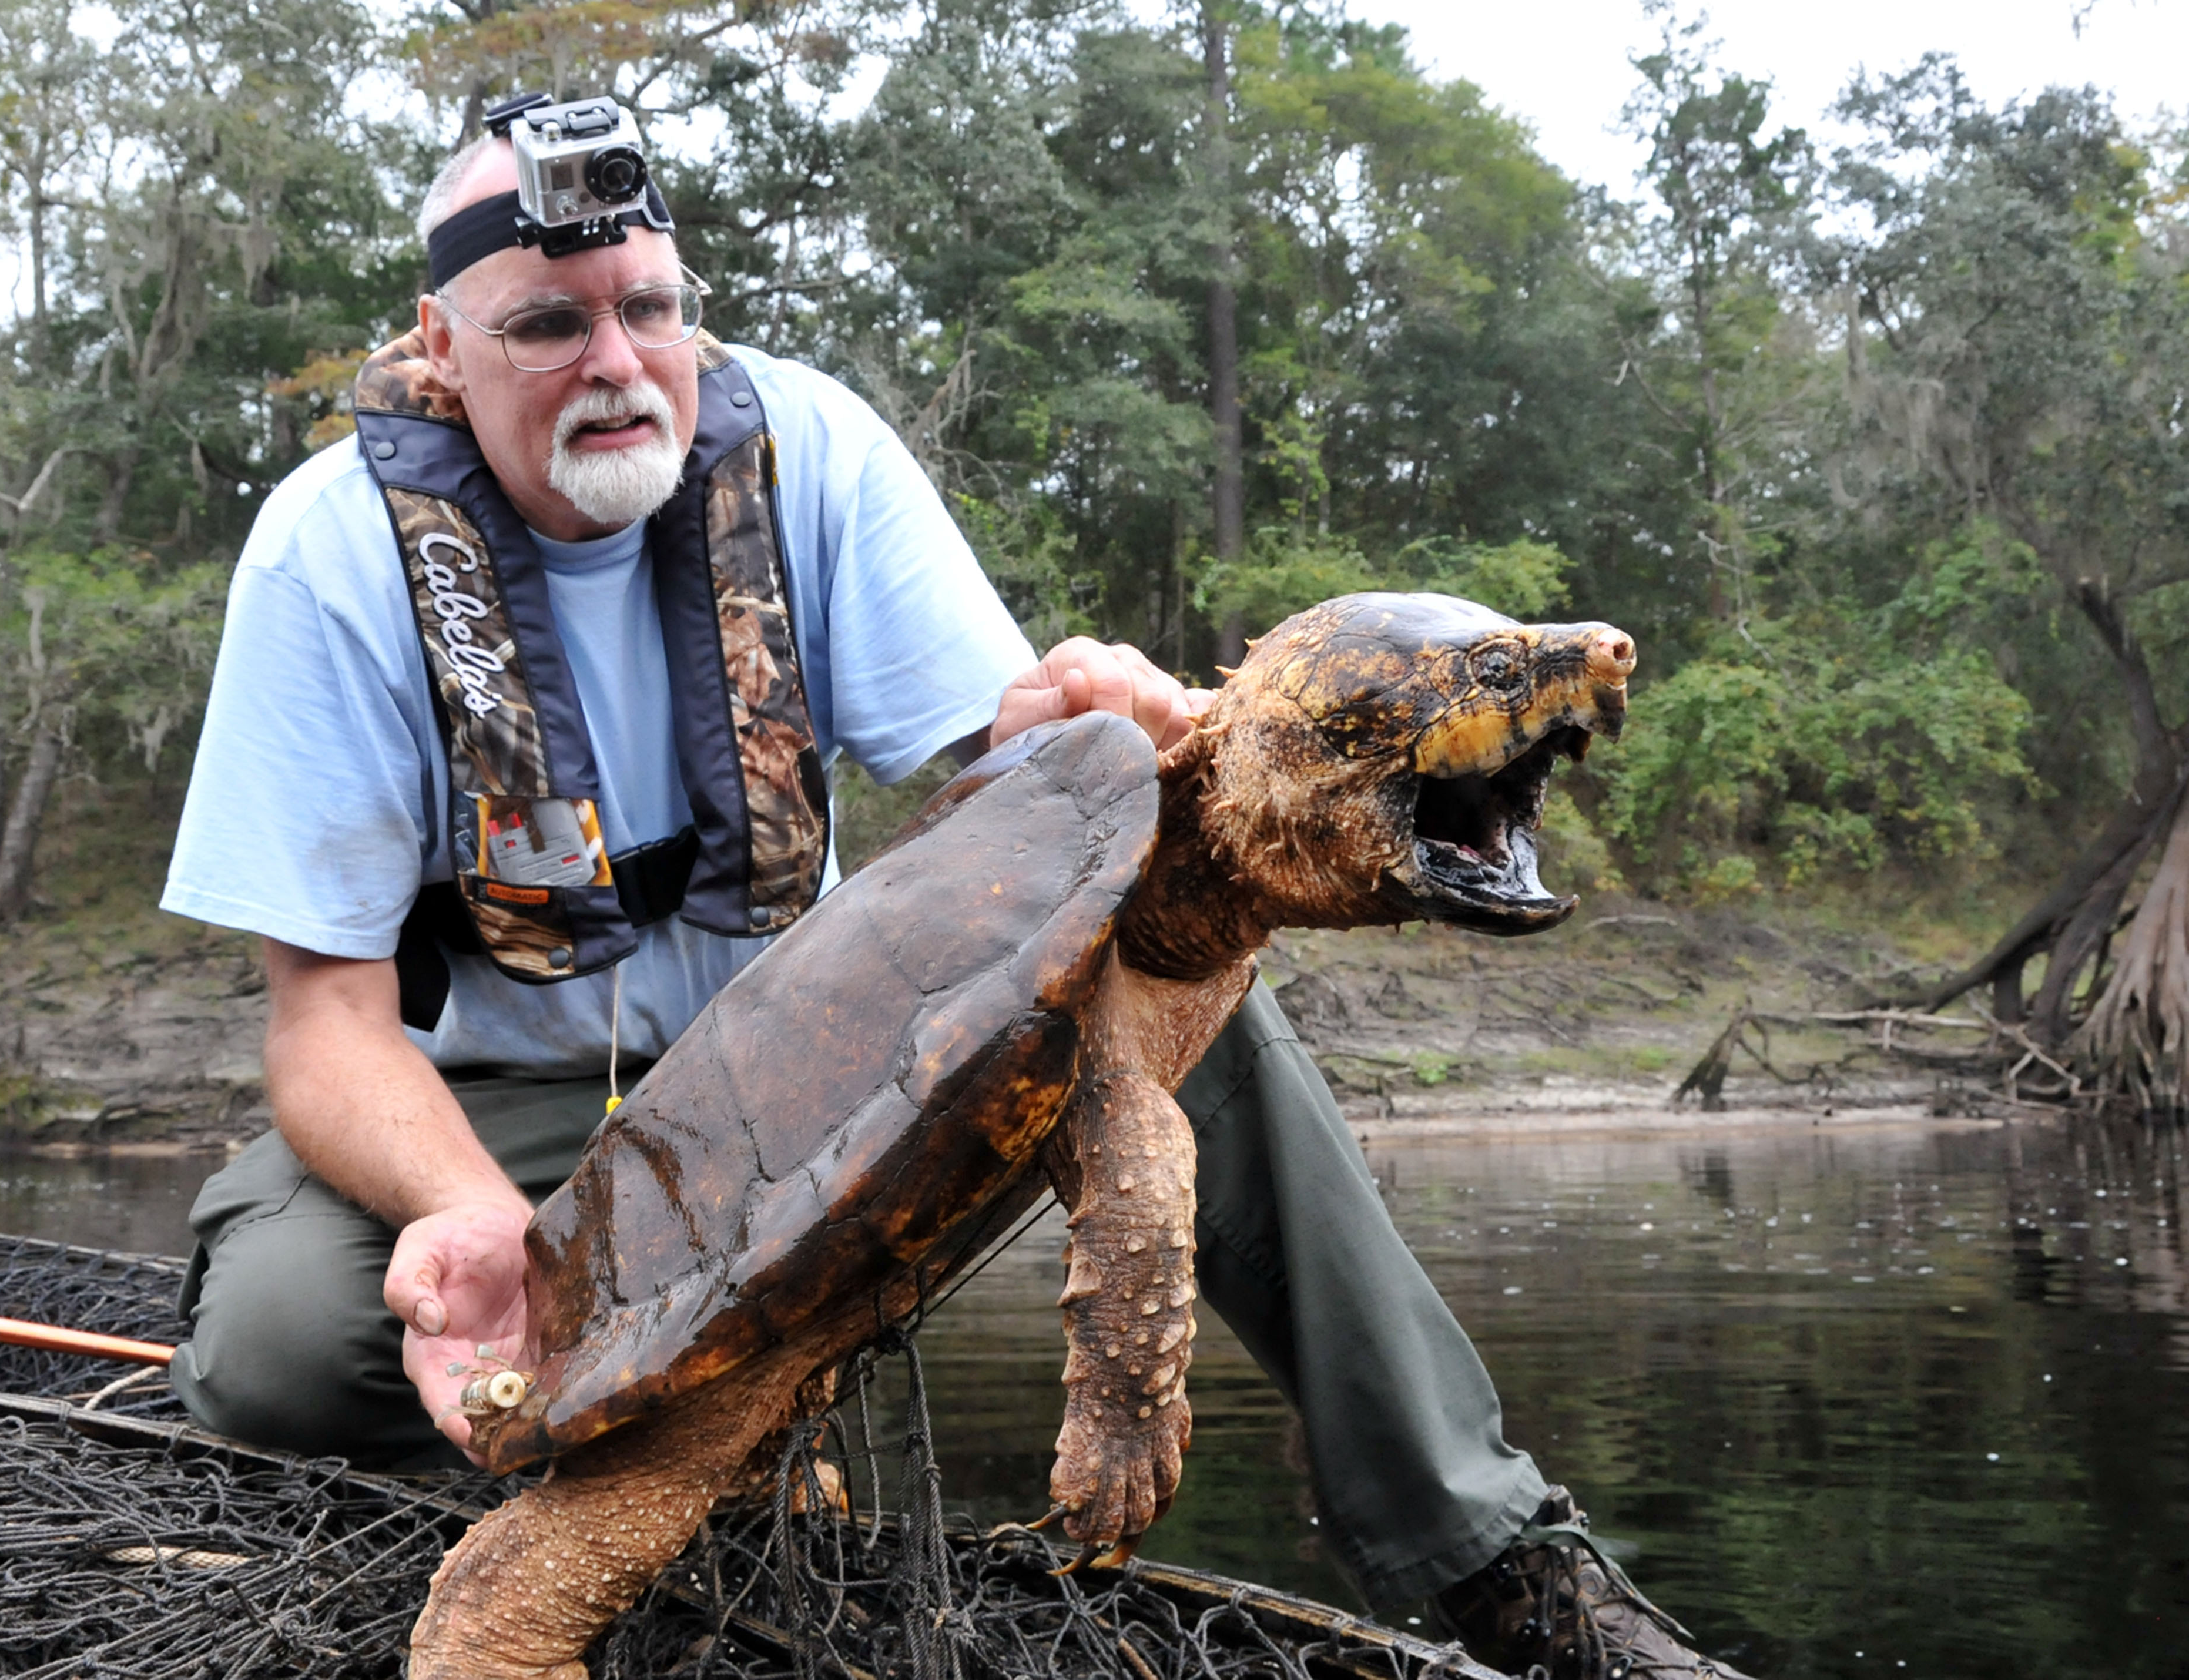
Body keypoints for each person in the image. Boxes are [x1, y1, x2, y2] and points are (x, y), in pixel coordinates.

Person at [157, 104, 1752, 1680]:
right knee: (281, 1340)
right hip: (502, 1110)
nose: (617, 360)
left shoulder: (807, 454)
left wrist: (1084, 713)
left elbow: (1013, 787)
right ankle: (647, 1459)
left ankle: (1501, 1556)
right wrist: (464, 1208)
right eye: (548, 324)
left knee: (1170, 973)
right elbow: (326, 1032)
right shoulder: (334, 554)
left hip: (807, 1070)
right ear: (441, 344)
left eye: (649, 308)